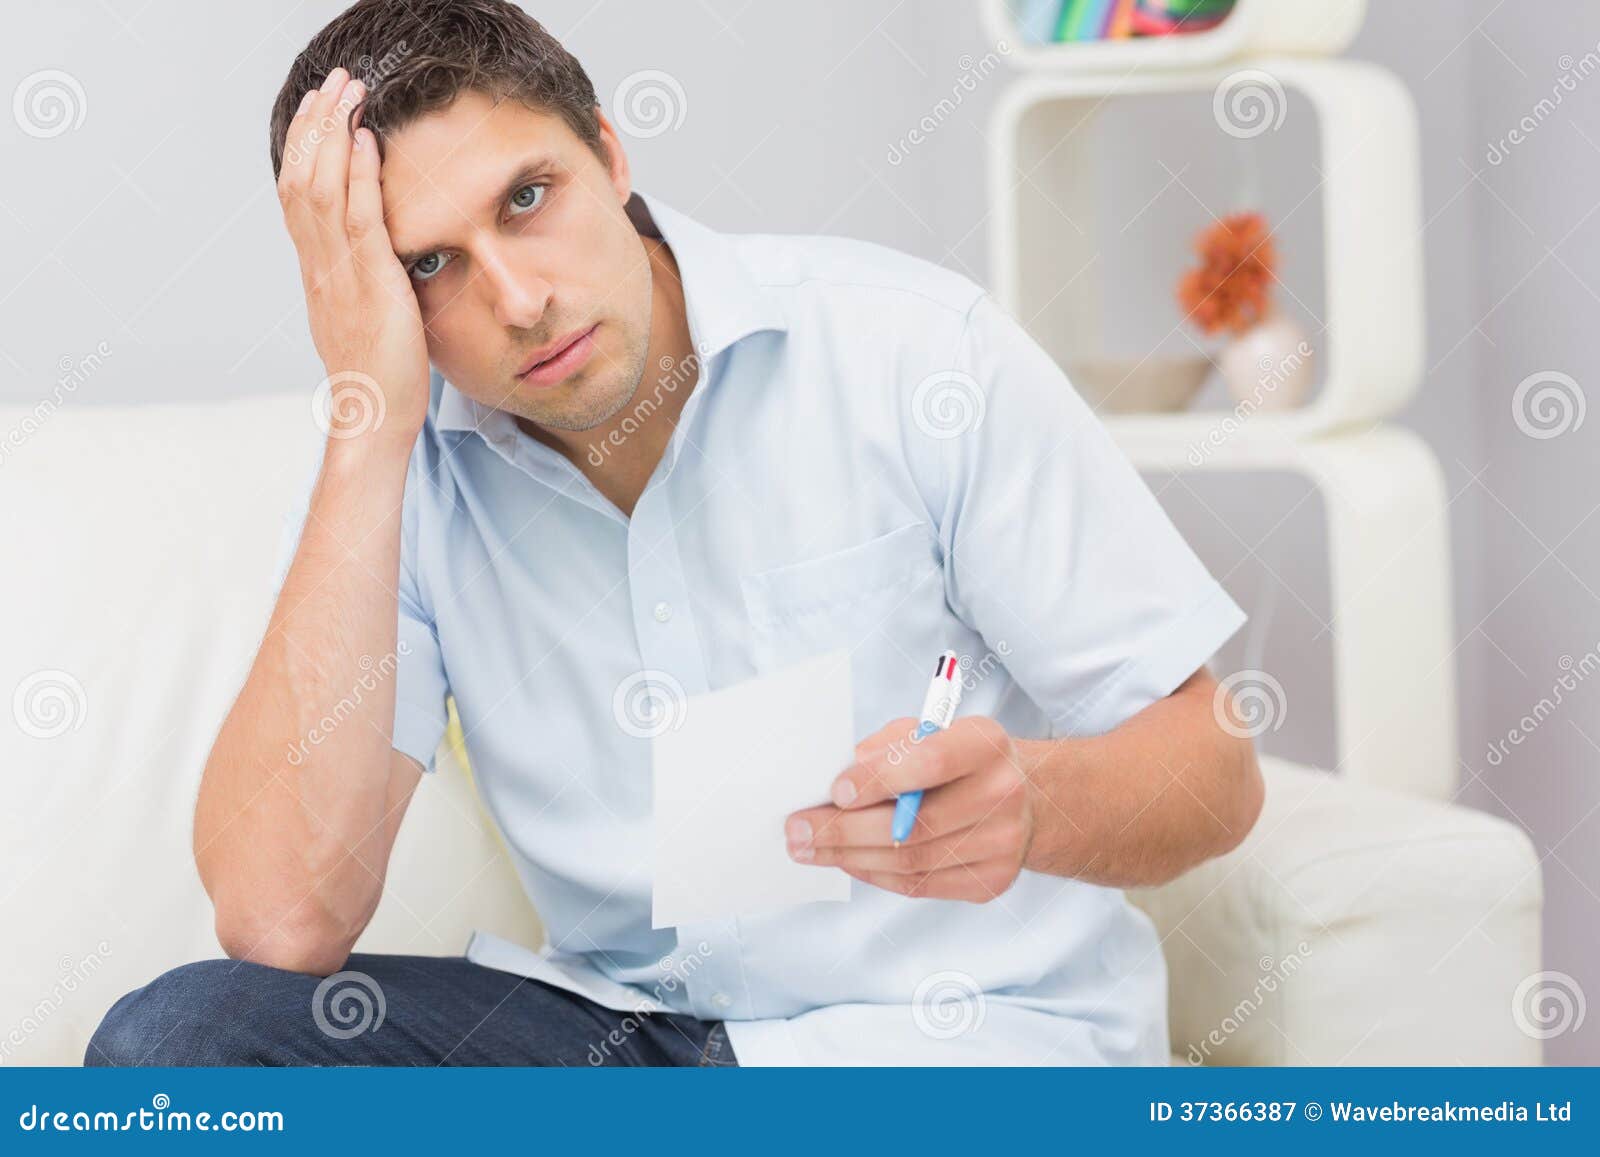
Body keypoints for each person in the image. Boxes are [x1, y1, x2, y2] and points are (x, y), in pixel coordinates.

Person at [87, 0, 1261, 1067]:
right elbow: (283, 917)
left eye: (527, 198)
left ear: (608, 151)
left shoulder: (913, 353)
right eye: (430, 264)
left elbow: (1214, 768)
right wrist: (367, 422)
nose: (516, 298)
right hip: (638, 1055)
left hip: (961, 1050)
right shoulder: (404, 465)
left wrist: (1036, 802)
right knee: (181, 1043)